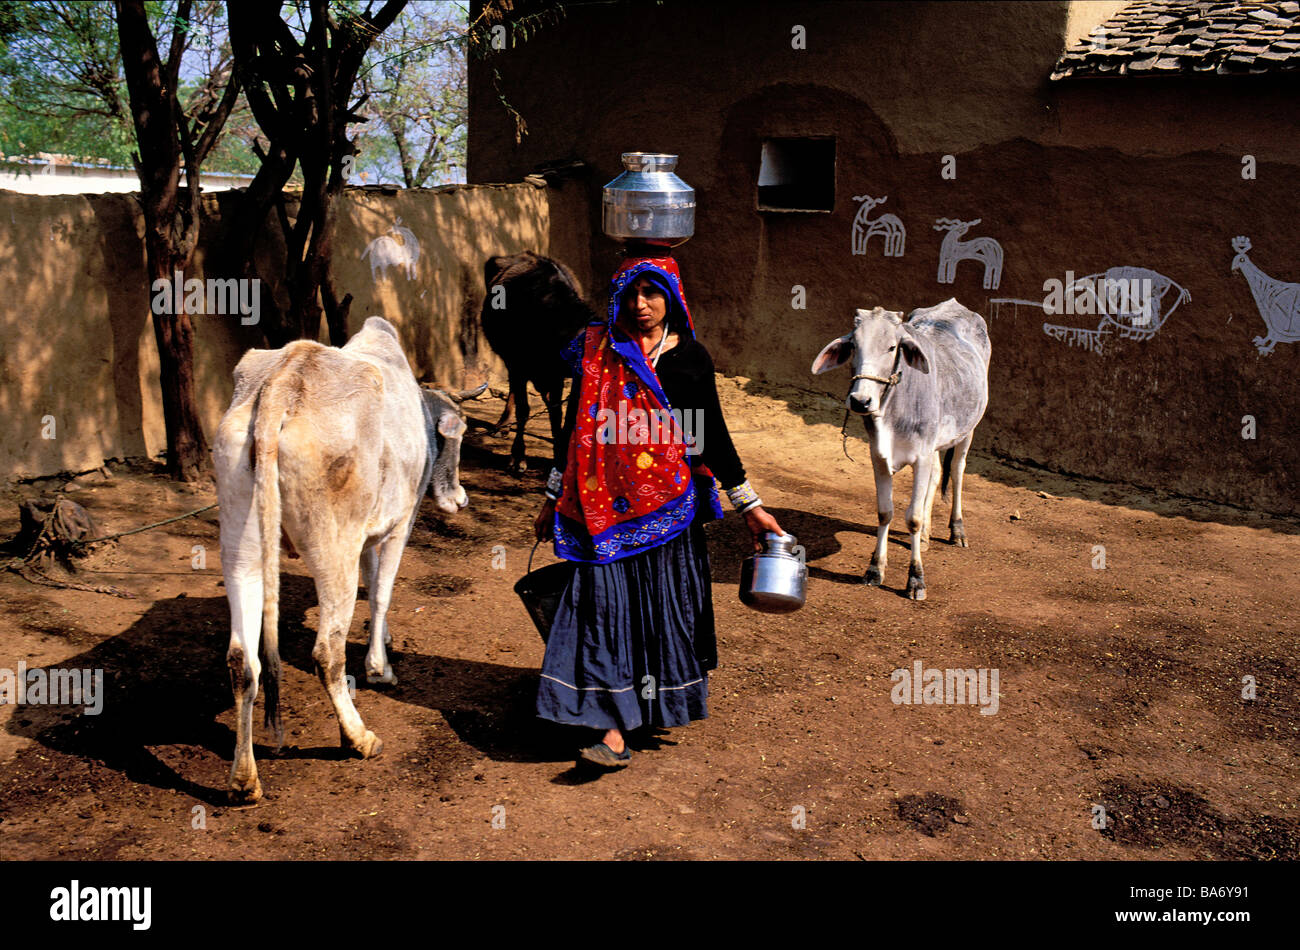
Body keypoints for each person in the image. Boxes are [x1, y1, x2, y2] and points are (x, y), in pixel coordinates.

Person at [533, 255, 783, 768]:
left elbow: (710, 434)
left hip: (670, 511)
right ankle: (611, 727)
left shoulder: (688, 357)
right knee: (601, 612)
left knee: (658, 611)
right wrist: (552, 494)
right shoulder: (597, 351)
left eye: (652, 293)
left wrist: (749, 505)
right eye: (630, 294)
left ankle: (650, 704)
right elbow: (572, 428)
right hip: (599, 511)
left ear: (671, 296)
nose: (640, 305)